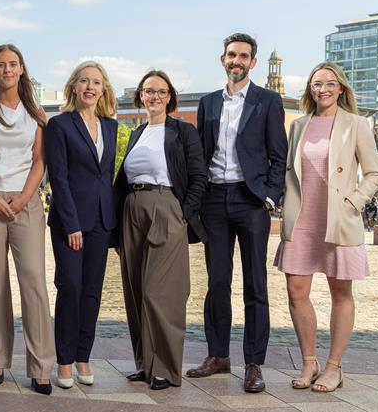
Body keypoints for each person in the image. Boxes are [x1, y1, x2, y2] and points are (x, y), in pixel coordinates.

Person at [187, 33, 287, 393]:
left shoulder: (268, 101)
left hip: (250, 200)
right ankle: (218, 355)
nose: (237, 60)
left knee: (255, 285)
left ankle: (254, 363)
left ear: (253, 62)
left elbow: (279, 155)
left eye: (244, 56)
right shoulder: (208, 103)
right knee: (216, 283)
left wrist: (270, 197)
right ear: (223, 59)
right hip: (214, 199)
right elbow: (199, 153)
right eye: (232, 55)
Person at [274, 62, 378, 392]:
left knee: (341, 293)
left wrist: (353, 202)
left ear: (340, 88)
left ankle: (334, 366)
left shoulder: (356, 124)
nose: (322, 89)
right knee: (296, 293)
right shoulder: (299, 125)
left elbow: (375, 174)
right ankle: (310, 362)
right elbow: (289, 173)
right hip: (302, 219)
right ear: (310, 89)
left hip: (338, 218)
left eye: (328, 83)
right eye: (316, 84)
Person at [0, 44, 55, 395]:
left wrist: (24, 197)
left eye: (13, 64)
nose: (7, 70)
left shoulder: (36, 113)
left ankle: (41, 365)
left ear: (21, 71)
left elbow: (39, 161)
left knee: (33, 281)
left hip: (27, 203)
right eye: (1, 65)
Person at [113, 69, 207, 390]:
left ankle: (165, 368)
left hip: (167, 207)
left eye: (161, 92)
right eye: (148, 91)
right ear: (140, 95)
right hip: (133, 209)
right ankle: (145, 364)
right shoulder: (137, 133)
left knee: (160, 292)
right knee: (136, 290)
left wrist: (182, 213)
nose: (154, 97)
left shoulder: (182, 131)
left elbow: (198, 176)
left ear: (170, 97)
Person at [45, 61, 118, 388]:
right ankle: (63, 360)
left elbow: (108, 177)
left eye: (96, 83)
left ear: (103, 89)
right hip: (69, 222)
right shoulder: (59, 125)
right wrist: (71, 224)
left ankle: (83, 357)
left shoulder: (111, 126)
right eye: (84, 81)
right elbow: (58, 178)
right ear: (73, 86)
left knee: (91, 293)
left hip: (102, 221)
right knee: (70, 288)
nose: (90, 87)